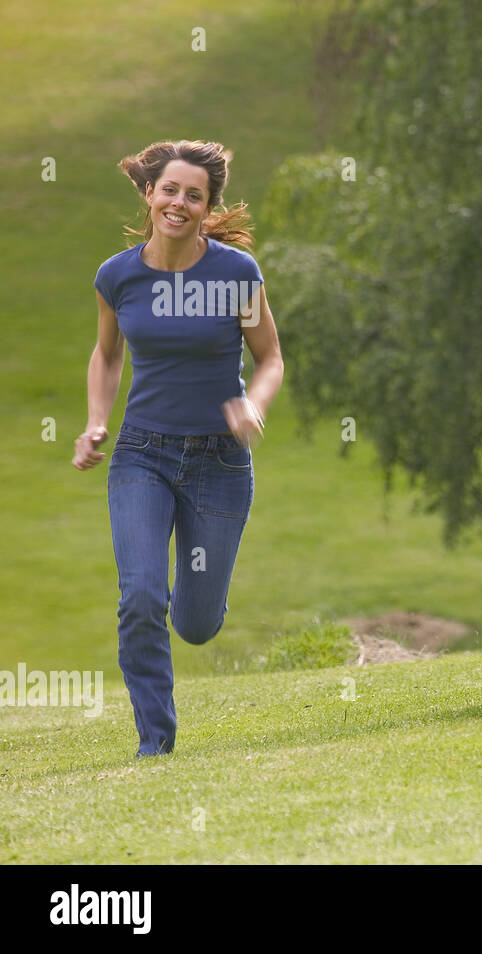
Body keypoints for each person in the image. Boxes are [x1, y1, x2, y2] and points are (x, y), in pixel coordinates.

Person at [73, 140, 284, 755]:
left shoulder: (236, 273)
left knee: (194, 623)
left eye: (194, 195)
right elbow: (107, 355)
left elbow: (269, 356)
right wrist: (94, 421)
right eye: (170, 190)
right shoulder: (118, 275)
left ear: (207, 205)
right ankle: (154, 744)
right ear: (149, 193)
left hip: (219, 461)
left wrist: (254, 404)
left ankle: (195, 609)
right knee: (140, 594)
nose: (179, 202)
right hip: (142, 453)